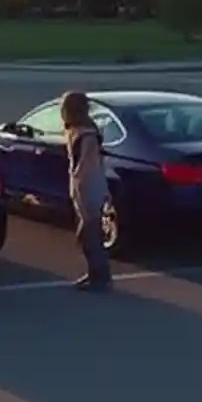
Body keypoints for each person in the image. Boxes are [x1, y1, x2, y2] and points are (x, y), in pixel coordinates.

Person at [61, 91, 113, 291]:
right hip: (83, 189)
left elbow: (87, 168)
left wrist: (81, 191)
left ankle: (100, 276)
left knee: (90, 236)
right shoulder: (77, 132)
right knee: (88, 236)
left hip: (89, 189)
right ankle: (95, 273)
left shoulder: (87, 136)